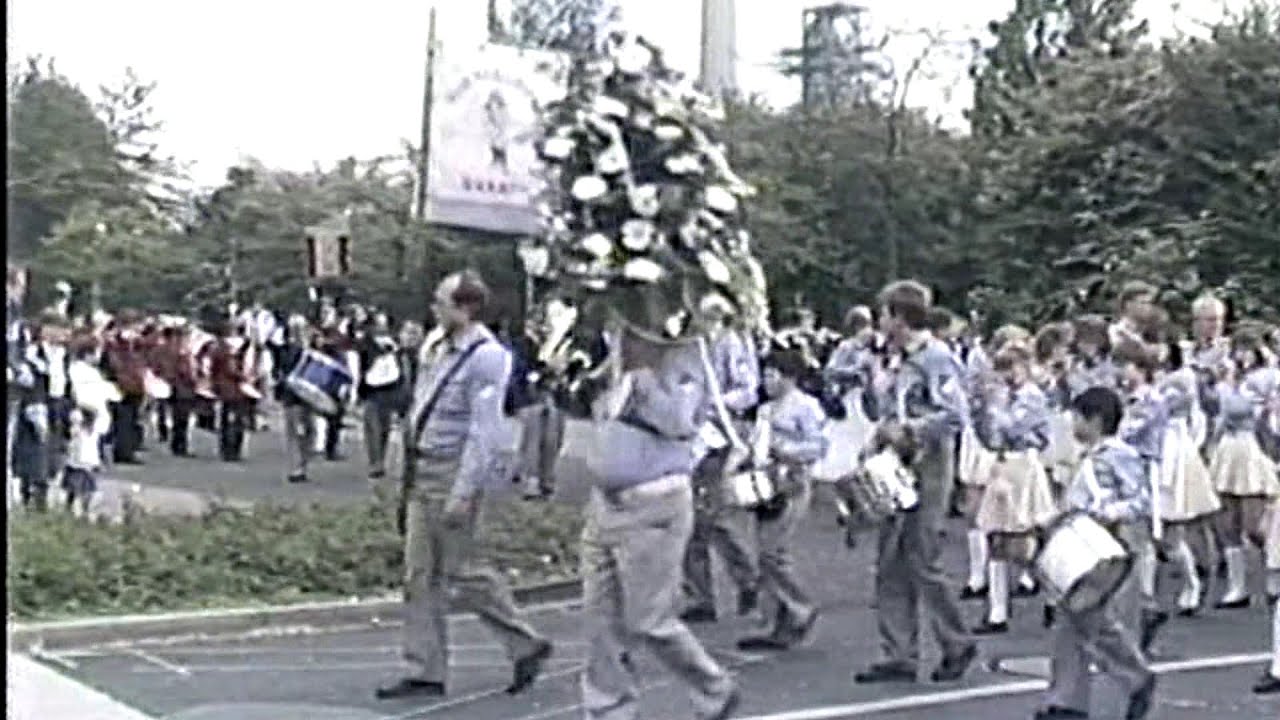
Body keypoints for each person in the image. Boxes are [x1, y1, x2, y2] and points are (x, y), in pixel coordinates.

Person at [378, 270, 551, 700]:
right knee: (419, 575)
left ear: (466, 307)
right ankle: (425, 668)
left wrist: (465, 489)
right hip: (423, 467)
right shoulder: (437, 347)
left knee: (464, 571)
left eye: (443, 302)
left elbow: (484, 430)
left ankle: (525, 641)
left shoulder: (487, 356)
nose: (436, 309)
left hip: (453, 469)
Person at [578, 320, 739, 720]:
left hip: (653, 504)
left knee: (649, 619)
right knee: (600, 616)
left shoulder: (685, 356)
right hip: (605, 502)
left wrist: (642, 377)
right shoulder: (615, 348)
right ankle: (609, 707)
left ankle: (713, 687)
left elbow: (681, 421)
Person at [856, 279, 976, 685]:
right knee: (889, 559)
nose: (880, 323)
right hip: (895, 462)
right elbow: (880, 406)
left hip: (928, 462)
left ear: (900, 317)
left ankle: (956, 640)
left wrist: (909, 429)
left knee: (923, 556)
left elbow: (954, 414)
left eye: (885, 314)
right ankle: (899, 653)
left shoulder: (936, 358)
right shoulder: (893, 359)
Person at [1035, 386, 1156, 720]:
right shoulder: (1088, 456)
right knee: (1070, 620)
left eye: (1078, 416)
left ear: (1096, 420)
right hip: (1082, 541)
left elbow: (1139, 500)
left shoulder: (1119, 455)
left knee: (1090, 617)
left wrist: (1109, 513)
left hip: (1105, 543)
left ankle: (1135, 676)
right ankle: (1066, 701)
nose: (1072, 423)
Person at [735, 343, 826, 651]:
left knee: (774, 551)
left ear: (789, 376)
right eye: (765, 375)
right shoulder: (764, 410)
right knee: (763, 552)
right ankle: (776, 620)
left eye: (773, 375)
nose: (766, 381)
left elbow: (818, 446)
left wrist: (786, 451)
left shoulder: (805, 407)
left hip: (792, 482)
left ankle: (800, 606)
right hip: (764, 483)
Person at [682, 295, 762, 623]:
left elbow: (748, 390)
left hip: (720, 438)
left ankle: (747, 578)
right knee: (689, 519)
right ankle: (700, 595)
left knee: (714, 516)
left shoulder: (732, 345)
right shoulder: (690, 346)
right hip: (692, 438)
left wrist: (717, 404)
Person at [971, 341, 1056, 635]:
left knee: (1023, 542)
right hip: (1002, 464)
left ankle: (1053, 593)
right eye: (1003, 369)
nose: (1008, 376)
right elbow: (989, 435)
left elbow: (1014, 428)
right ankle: (997, 613)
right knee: (995, 537)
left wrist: (994, 408)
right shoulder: (1002, 397)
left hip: (1023, 466)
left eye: (1013, 368)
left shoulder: (1031, 397)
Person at [1208, 325, 1280, 609]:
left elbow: (1266, 417)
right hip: (1228, 448)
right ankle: (1238, 587)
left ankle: (1273, 577)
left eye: (1247, 348)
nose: (1242, 354)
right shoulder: (1228, 378)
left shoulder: (1268, 378)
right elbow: (1216, 411)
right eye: (1239, 348)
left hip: (1253, 448)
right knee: (1227, 521)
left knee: (1255, 525)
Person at [358, 314, 402, 481]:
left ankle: (381, 459)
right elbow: (362, 365)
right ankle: (375, 463)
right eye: (378, 324)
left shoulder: (395, 343)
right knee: (372, 427)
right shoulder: (366, 344)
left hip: (389, 389)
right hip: (371, 390)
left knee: (385, 427)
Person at [275, 315, 317, 484]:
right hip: (295, 396)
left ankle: (300, 465)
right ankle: (297, 468)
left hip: (301, 396)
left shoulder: (305, 350)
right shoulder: (290, 350)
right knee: (298, 432)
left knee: (304, 432)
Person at [62, 405, 103, 516]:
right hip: (83, 464)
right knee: (81, 490)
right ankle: (77, 510)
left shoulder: (85, 430)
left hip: (81, 464)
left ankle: (77, 509)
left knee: (79, 490)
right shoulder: (87, 431)